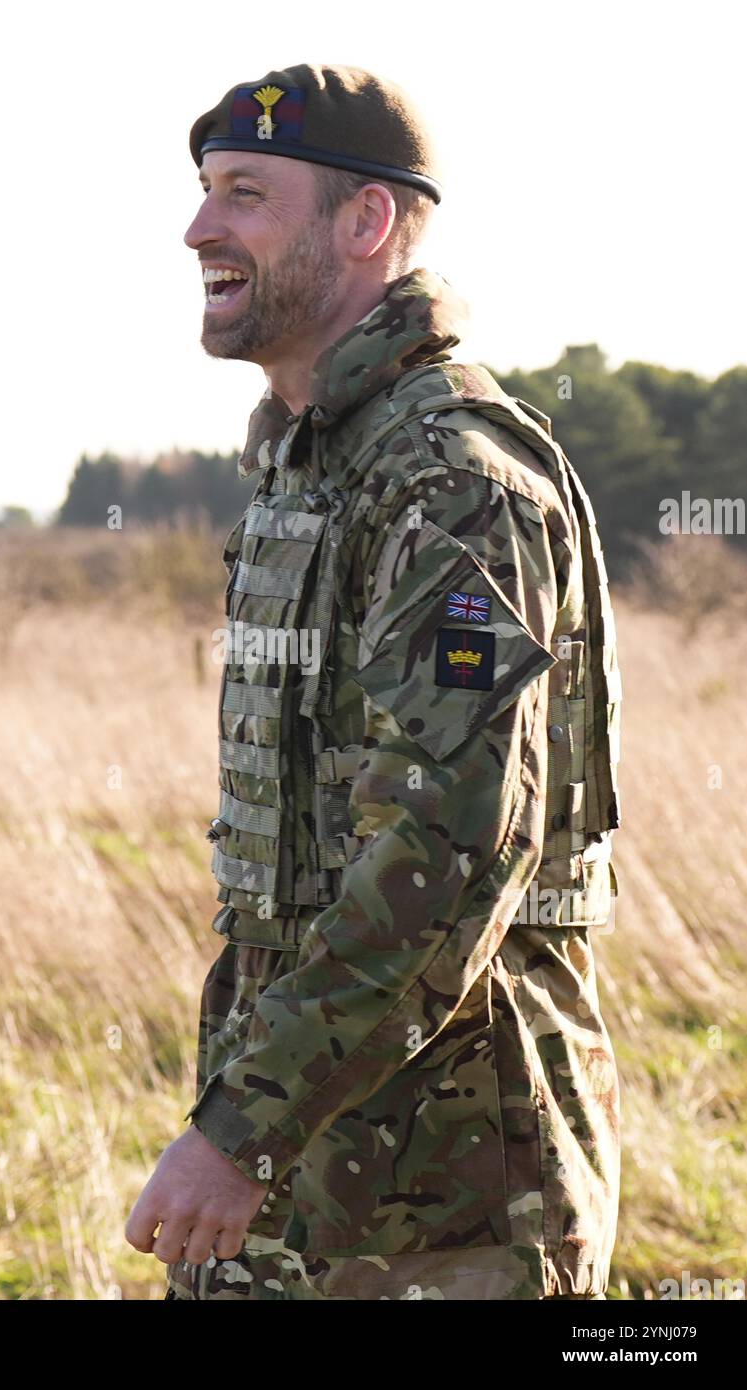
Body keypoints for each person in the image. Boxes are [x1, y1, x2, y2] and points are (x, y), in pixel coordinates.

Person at [125, 62, 623, 1301]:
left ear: (366, 223)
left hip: (447, 1205)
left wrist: (240, 1131)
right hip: (305, 1167)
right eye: (201, 192)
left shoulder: (450, 479)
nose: (199, 228)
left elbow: (451, 850)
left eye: (244, 193)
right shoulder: (313, 464)